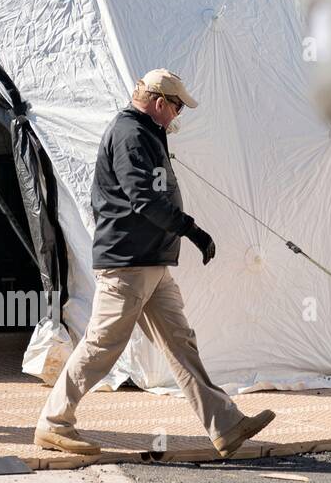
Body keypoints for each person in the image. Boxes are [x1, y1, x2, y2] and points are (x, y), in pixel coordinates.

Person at [34, 69, 275, 457]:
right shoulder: (130, 134)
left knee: (181, 343)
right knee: (101, 347)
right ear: (160, 102)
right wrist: (191, 230)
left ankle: (225, 425)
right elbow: (142, 198)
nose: (179, 115)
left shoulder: (147, 134)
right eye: (177, 107)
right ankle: (53, 422)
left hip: (150, 263)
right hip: (128, 263)